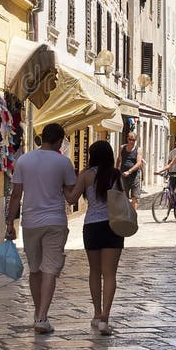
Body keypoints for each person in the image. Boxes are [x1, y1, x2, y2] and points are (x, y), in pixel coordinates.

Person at [5, 122, 77, 334]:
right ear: (58, 140)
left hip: (30, 222)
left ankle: (38, 314)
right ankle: (42, 317)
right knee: (50, 271)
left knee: (35, 270)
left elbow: (16, 195)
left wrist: (10, 222)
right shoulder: (63, 163)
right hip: (55, 221)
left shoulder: (24, 160)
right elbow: (71, 196)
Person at [64, 141, 124, 336]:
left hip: (92, 227)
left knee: (94, 271)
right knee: (110, 274)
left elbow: (72, 199)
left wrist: (64, 186)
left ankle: (97, 313)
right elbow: (122, 199)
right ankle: (106, 317)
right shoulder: (115, 175)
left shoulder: (86, 175)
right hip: (113, 226)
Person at [116, 131, 144, 211]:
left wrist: (129, 171)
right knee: (124, 196)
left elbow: (139, 163)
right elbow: (119, 159)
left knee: (134, 197)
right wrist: (116, 170)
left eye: (133, 140)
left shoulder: (138, 149)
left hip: (134, 175)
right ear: (127, 139)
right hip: (123, 174)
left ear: (135, 140)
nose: (131, 141)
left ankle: (133, 216)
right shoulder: (122, 148)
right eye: (130, 139)